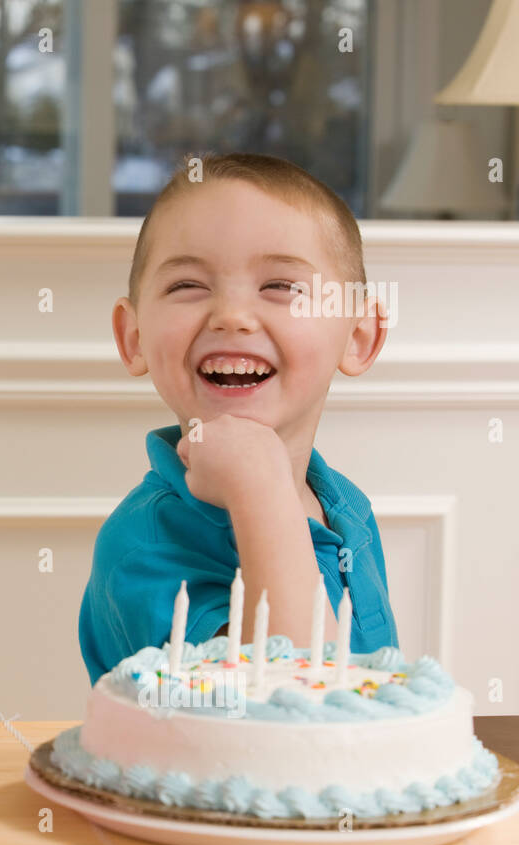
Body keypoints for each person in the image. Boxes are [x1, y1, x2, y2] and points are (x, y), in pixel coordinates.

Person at [79, 153, 398, 685]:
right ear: (133, 339)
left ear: (359, 337)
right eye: (187, 286)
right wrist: (259, 488)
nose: (231, 315)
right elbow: (279, 706)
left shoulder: (348, 508)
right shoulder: (146, 544)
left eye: (281, 286)